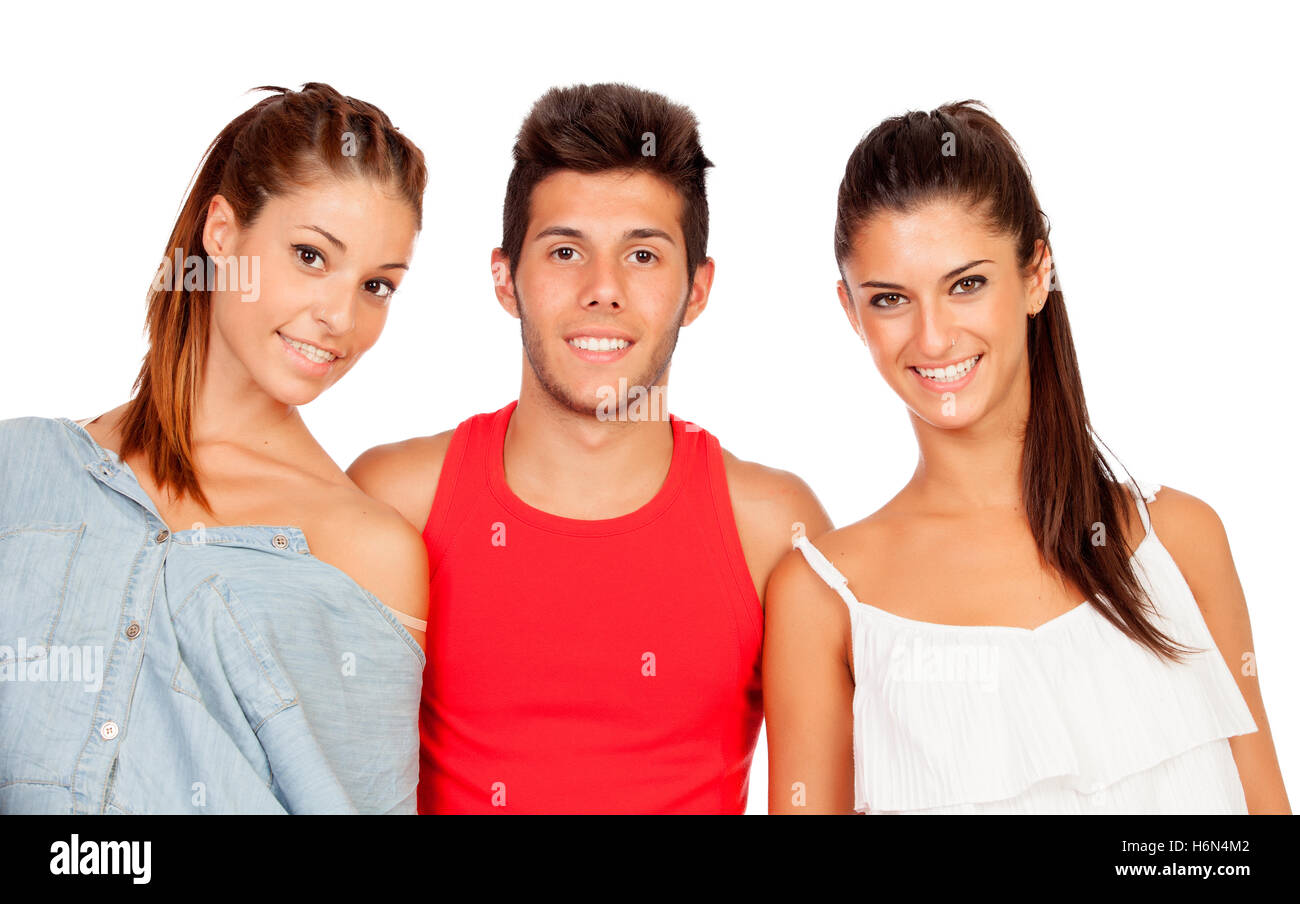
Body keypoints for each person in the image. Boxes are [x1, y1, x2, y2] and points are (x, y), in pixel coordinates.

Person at [763, 100, 1291, 814]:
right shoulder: (822, 598)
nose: (933, 337)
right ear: (851, 312)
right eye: (889, 299)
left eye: (967, 284)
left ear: (1037, 275)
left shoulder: (1181, 540)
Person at [349, 82, 833, 814]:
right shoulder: (395, 500)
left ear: (697, 290)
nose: (603, 289)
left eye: (642, 254)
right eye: (566, 250)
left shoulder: (772, 526)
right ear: (504, 279)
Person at [0, 83, 431, 814]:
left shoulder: (367, 550)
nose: (340, 316)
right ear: (223, 234)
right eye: (310, 256)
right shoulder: (23, 468)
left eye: (377, 286)